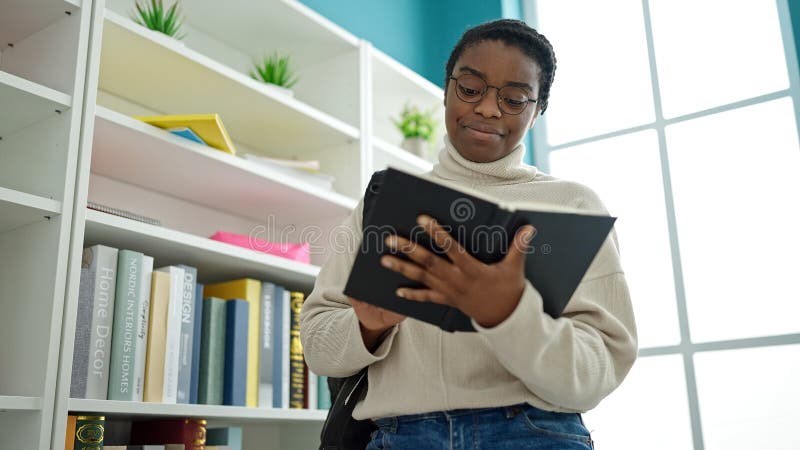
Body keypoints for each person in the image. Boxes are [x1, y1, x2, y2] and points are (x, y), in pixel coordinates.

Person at [300, 19, 637, 450]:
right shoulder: (382, 202)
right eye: (471, 89)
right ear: (446, 89)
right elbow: (319, 350)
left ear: (538, 111)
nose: (488, 109)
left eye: (514, 99)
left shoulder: (572, 205)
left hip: (534, 435)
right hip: (402, 438)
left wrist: (509, 314)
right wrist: (368, 327)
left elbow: (596, 373)